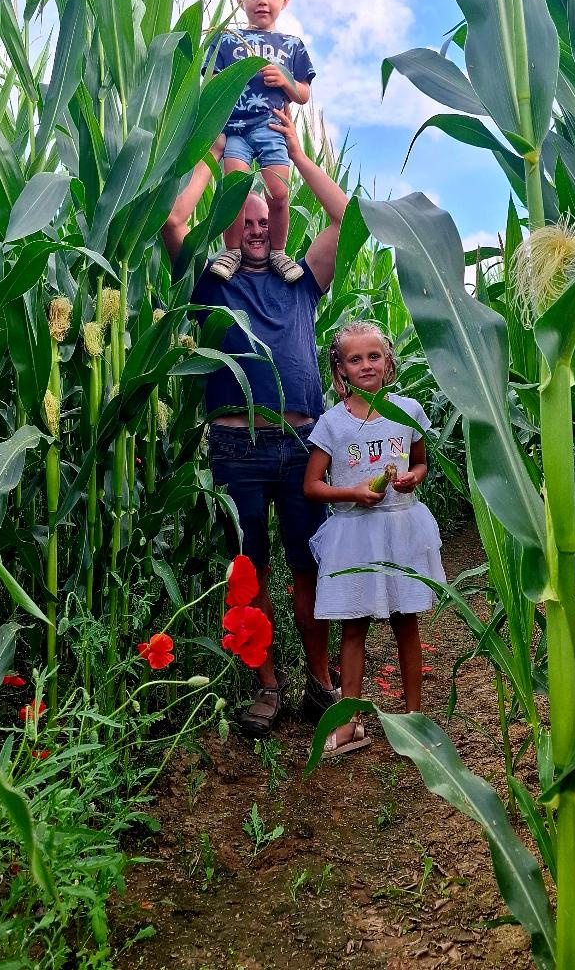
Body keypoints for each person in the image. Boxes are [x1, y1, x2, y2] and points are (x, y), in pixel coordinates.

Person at [161, 105, 348, 737]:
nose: (259, 230)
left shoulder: (303, 283)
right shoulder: (212, 284)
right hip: (236, 447)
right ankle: (266, 685)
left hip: (300, 446)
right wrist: (213, 160)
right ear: (230, 229)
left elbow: (345, 216)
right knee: (250, 572)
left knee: (308, 567)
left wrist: (293, 156)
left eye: (266, 220)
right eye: (246, 222)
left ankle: (321, 681)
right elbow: (173, 219)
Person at [302, 322, 446, 754]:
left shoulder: (408, 412)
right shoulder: (333, 423)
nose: (365, 365)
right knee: (354, 629)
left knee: (406, 623)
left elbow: (420, 463)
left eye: (374, 356)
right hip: (354, 534)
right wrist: (353, 492)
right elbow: (312, 486)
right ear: (341, 368)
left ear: (388, 362)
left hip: (401, 528)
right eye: (354, 359)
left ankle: (415, 720)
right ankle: (349, 724)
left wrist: (410, 480)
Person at [209, 0, 314, 285]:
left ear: (285, 0)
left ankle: (279, 252)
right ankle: (232, 250)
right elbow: (211, 85)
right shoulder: (225, 40)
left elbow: (303, 93)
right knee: (233, 191)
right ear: (240, 1)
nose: (262, 1)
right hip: (235, 131)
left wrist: (285, 81)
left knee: (279, 194)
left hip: (272, 128)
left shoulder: (292, 46)